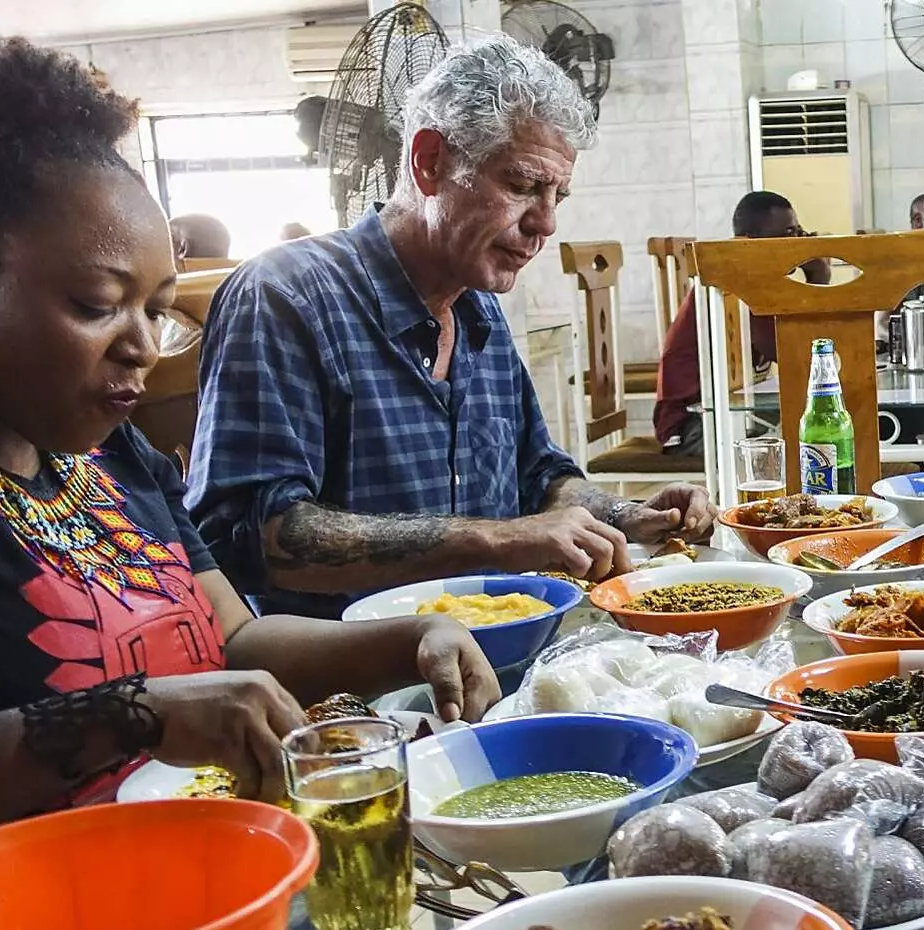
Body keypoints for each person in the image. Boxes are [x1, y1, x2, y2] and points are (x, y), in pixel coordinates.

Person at [0, 32, 497, 865]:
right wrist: (135, 712)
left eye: (156, 308)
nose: (142, 346)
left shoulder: (100, 445)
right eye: (99, 303)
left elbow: (233, 643)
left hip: (196, 869)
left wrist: (412, 637)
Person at [188, 36, 715, 621]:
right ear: (430, 162)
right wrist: (496, 540)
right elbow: (250, 534)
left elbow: (538, 474)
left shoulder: (475, 307)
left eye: (556, 195)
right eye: (521, 186)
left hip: (492, 647)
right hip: (352, 681)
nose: (544, 224)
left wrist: (624, 515)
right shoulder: (286, 296)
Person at [653, 191, 827, 456]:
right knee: (804, 445)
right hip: (693, 425)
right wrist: (819, 280)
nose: (798, 242)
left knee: (816, 419)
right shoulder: (737, 281)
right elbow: (798, 355)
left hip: (738, 410)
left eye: (798, 232)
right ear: (748, 242)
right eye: (788, 234)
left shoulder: (760, 278)